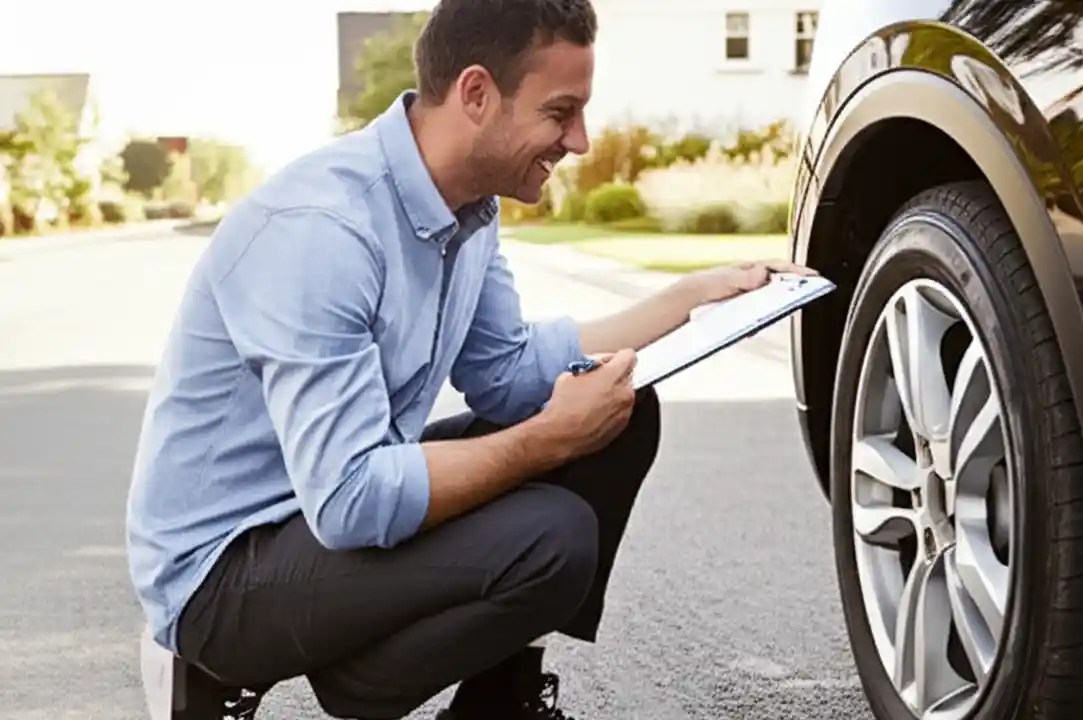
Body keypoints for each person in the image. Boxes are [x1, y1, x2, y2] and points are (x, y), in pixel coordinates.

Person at [126, 1, 814, 718]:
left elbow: (510, 372)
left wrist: (693, 298)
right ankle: (251, 668)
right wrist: (546, 441)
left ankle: (499, 703)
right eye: (560, 112)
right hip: (227, 571)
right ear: (477, 94)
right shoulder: (322, 232)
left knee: (621, 408)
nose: (578, 140)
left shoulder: (467, 208)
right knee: (554, 537)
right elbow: (350, 498)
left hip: (324, 508)